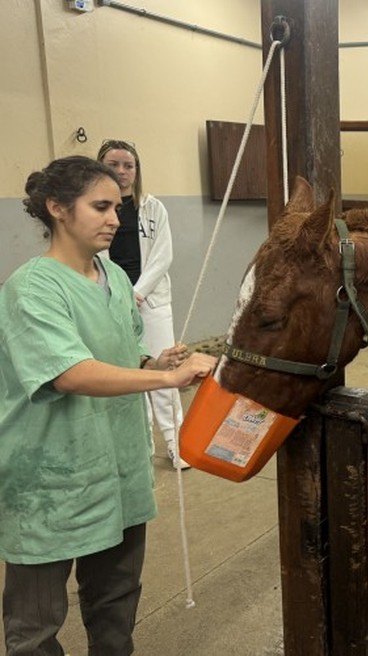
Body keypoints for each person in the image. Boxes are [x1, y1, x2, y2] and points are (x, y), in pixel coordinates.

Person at [0, 156, 216, 655]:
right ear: (57, 208)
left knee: (115, 603)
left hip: (117, 466)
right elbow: (71, 372)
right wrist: (167, 377)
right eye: (100, 206)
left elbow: (116, 352)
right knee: (34, 624)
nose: (115, 219)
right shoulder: (31, 288)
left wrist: (154, 360)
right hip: (51, 479)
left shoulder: (114, 277)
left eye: (117, 207)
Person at [97, 139, 189, 469]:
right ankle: (144, 443)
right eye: (113, 164)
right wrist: (118, 294)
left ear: (137, 171)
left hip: (150, 299)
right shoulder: (95, 209)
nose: (121, 171)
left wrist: (136, 292)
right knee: (129, 372)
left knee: (164, 369)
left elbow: (163, 254)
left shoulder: (153, 207)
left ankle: (176, 442)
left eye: (128, 165)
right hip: (108, 299)